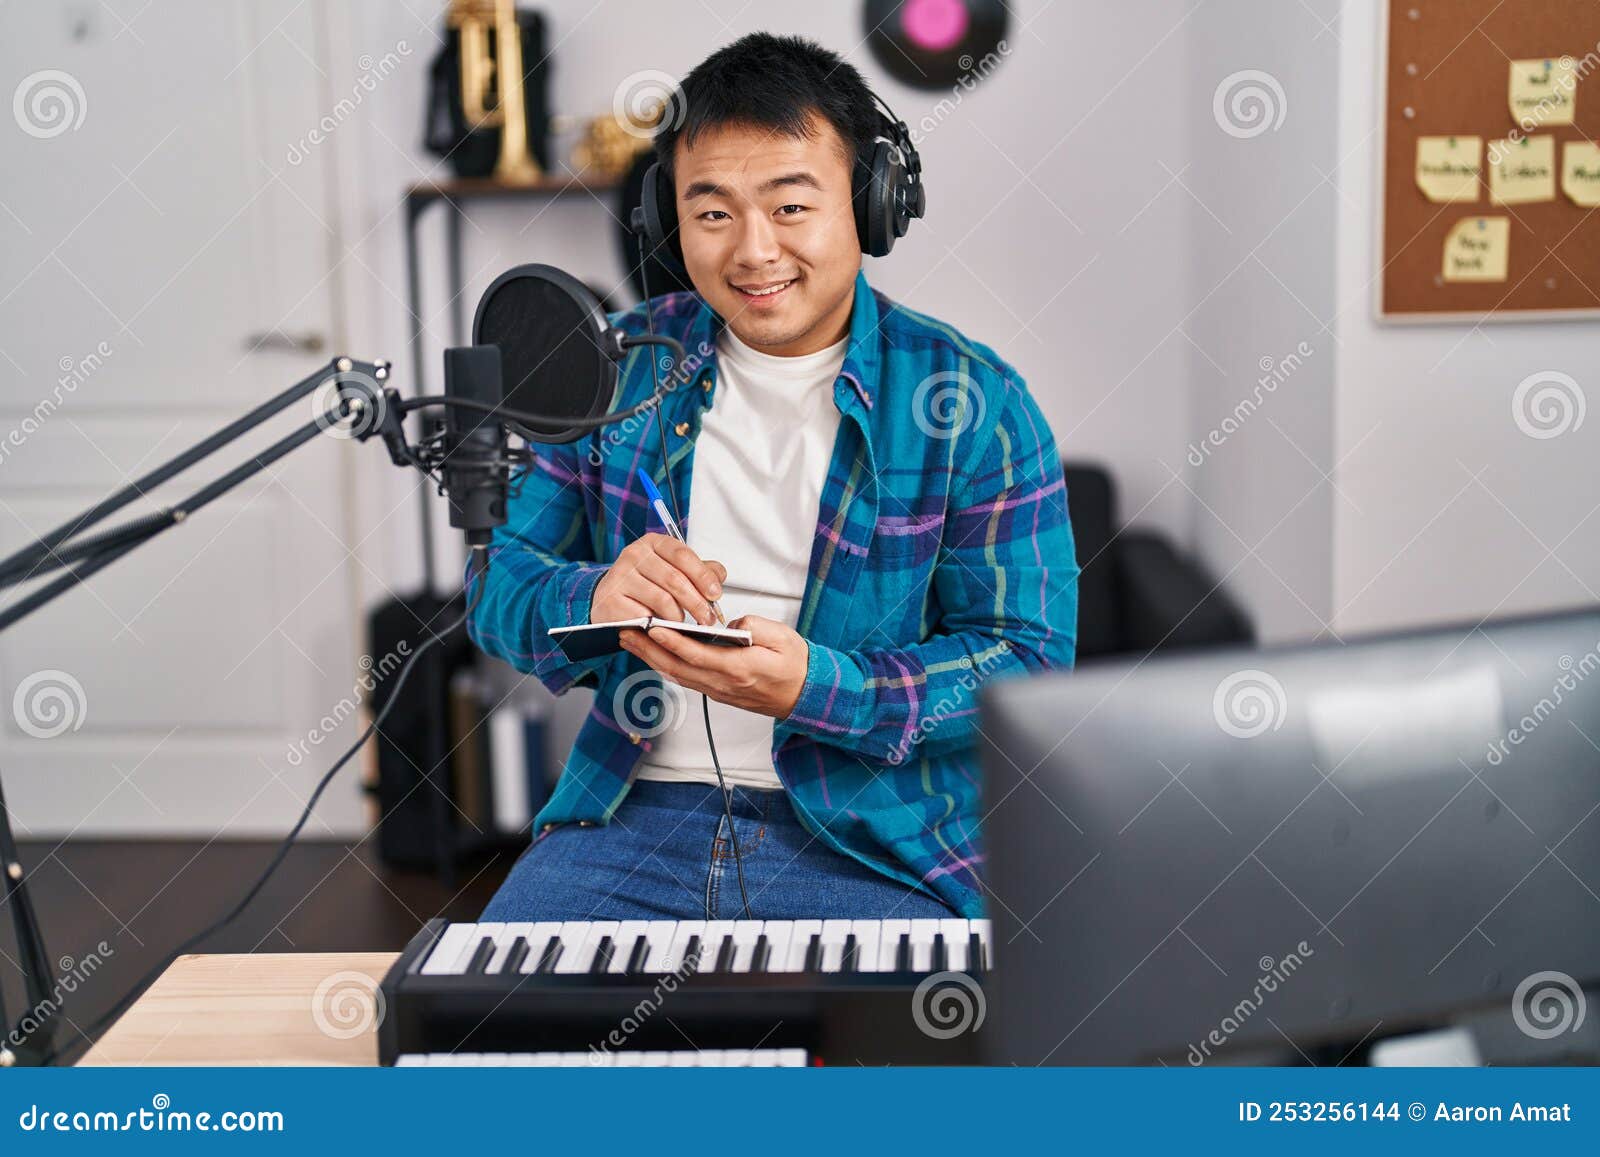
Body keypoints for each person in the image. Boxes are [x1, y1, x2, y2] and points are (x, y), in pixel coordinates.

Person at [471, 31, 1077, 923]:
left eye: (791, 207)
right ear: (667, 220)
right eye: (712, 213)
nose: (753, 252)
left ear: (871, 205)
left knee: (908, 1056)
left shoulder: (971, 400)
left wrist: (818, 689)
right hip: (630, 820)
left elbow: (1027, 667)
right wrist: (592, 595)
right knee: (483, 1046)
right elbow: (497, 586)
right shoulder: (615, 368)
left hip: (879, 840)